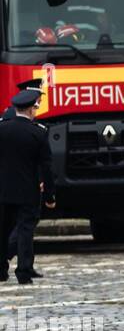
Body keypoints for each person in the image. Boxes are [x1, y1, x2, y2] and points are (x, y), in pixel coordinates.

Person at [0, 88, 56, 285]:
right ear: (32, 109)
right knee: (25, 230)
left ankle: (1, 270)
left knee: (3, 229)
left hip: (3, 189)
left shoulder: (2, 128)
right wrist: (50, 196)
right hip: (27, 190)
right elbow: (46, 167)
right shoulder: (38, 133)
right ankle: (23, 270)